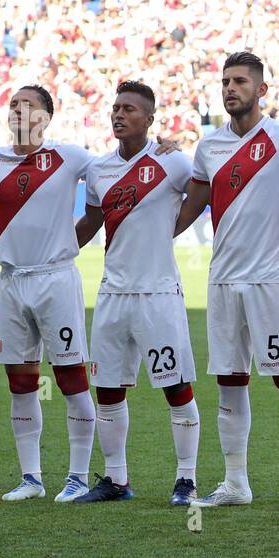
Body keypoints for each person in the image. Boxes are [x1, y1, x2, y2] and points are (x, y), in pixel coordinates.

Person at [173, 51, 279, 509]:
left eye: (240, 81)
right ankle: (236, 482)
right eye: (225, 81)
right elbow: (190, 207)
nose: (231, 89)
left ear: (261, 90)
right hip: (223, 280)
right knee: (229, 381)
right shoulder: (208, 146)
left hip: (272, 280)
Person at [73, 81, 200, 504]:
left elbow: (206, 188)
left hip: (157, 294)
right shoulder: (98, 170)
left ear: (149, 119)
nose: (119, 114)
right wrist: (50, 254)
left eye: (129, 109)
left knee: (176, 387)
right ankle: (116, 479)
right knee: (107, 389)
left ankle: (186, 480)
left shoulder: (172, 162)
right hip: (112, 294)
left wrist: (173, 227)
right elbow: (90, 223)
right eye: (115, 108)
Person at [0, 86, 98, 503]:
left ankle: (78, 476)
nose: (18, 110)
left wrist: (69, 241)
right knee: (20, 380)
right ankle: (31, 478)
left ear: (47, 116)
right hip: (11, 282)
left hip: (55, 279)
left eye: (28, 105)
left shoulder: (70, 157)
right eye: (13, 104)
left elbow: (117, 174)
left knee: (70, 378)